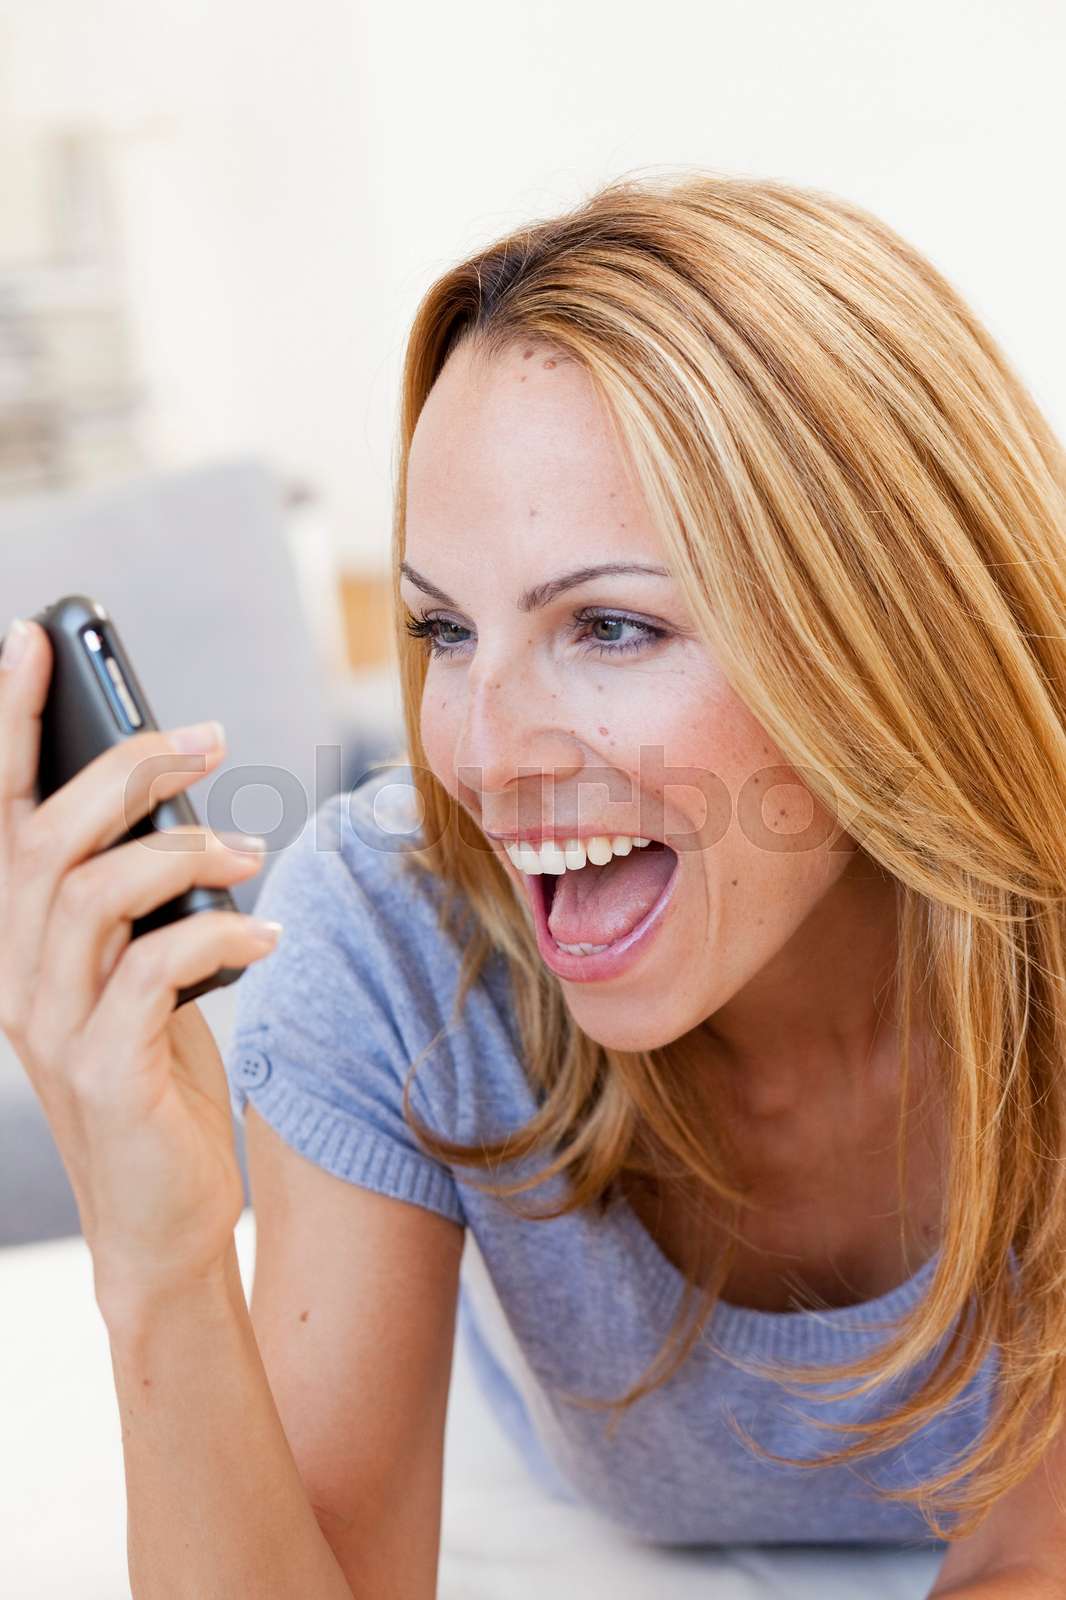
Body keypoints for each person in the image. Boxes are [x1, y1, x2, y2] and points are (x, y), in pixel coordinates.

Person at [3, 170, 1065, 1600]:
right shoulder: (392, 934)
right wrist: (161, 1249)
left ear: (888, 633)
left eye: (610, 625)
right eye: (443, 626)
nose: (482, 759)